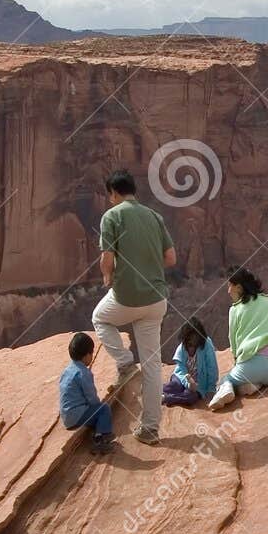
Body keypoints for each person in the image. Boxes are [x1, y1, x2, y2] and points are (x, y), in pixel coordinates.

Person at [92, 169, 175, 445]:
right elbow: (171, 258)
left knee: (100, 318)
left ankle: (126, 364)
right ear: (133, 191)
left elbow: (107, 258)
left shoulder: (112, 216)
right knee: (152, 366)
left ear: (113, 193)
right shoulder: (154, 216)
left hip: (127, 297)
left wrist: (107, 277)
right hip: (156, 300)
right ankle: (150, 429)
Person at [209, 268, 268, 409]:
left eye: (230, 286)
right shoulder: (267, 300)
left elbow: (233, 339)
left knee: (226, 380)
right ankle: (253, 385)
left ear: (239, 287)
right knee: (255, 376)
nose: (228, 291)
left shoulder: (234, 310)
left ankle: (228, 389)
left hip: (250, 367)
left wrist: (237, 362)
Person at [58, 332, 116, 455]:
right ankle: (100, 439)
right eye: (91, 353)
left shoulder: (67, 370)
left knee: (95, 412)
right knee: (103, 409)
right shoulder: (83, 373)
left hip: (66, 416)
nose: (92, 356)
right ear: (86, 355)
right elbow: (91, 397)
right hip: (76, 416)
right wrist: (97, 407)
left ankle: (96, 429)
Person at [163, 318, 218, 407]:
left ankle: (166, 398)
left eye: (196, 337)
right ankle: (153, 391)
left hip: (199, 384)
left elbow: (212, 367)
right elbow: (181, 369)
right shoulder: (182, 347)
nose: (193, 341)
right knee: (174, 386)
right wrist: (188, 383)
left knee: (191, 397)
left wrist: (211, 389)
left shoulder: (207, 344)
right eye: (190, 339)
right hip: (181, 378)